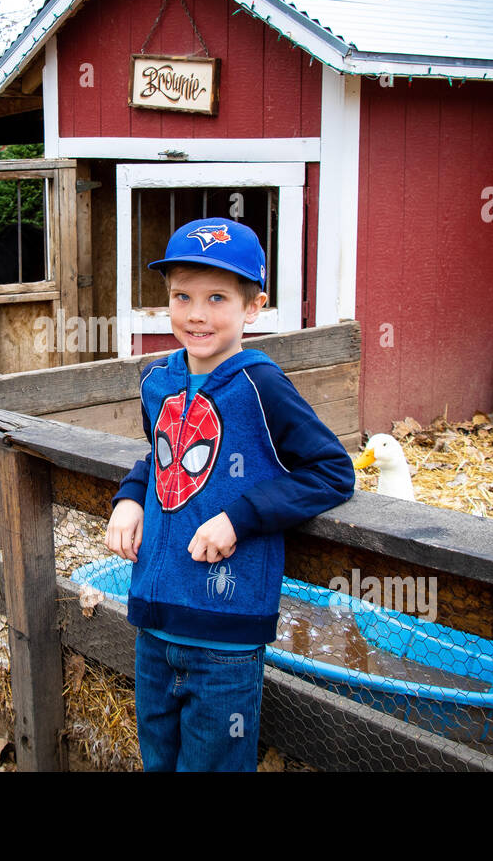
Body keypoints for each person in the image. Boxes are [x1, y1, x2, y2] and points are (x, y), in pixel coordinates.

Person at [105, 216, 355, 772]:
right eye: (182, 296)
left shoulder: (261, 385)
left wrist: (240, 518)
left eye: (218, 297)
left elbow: (332, 471)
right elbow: (162, 457)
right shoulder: (157, 381)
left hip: (224, 637)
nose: (196, 314)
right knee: (159, 762)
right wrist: (129, 495)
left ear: (253, 307)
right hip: (152, 621)